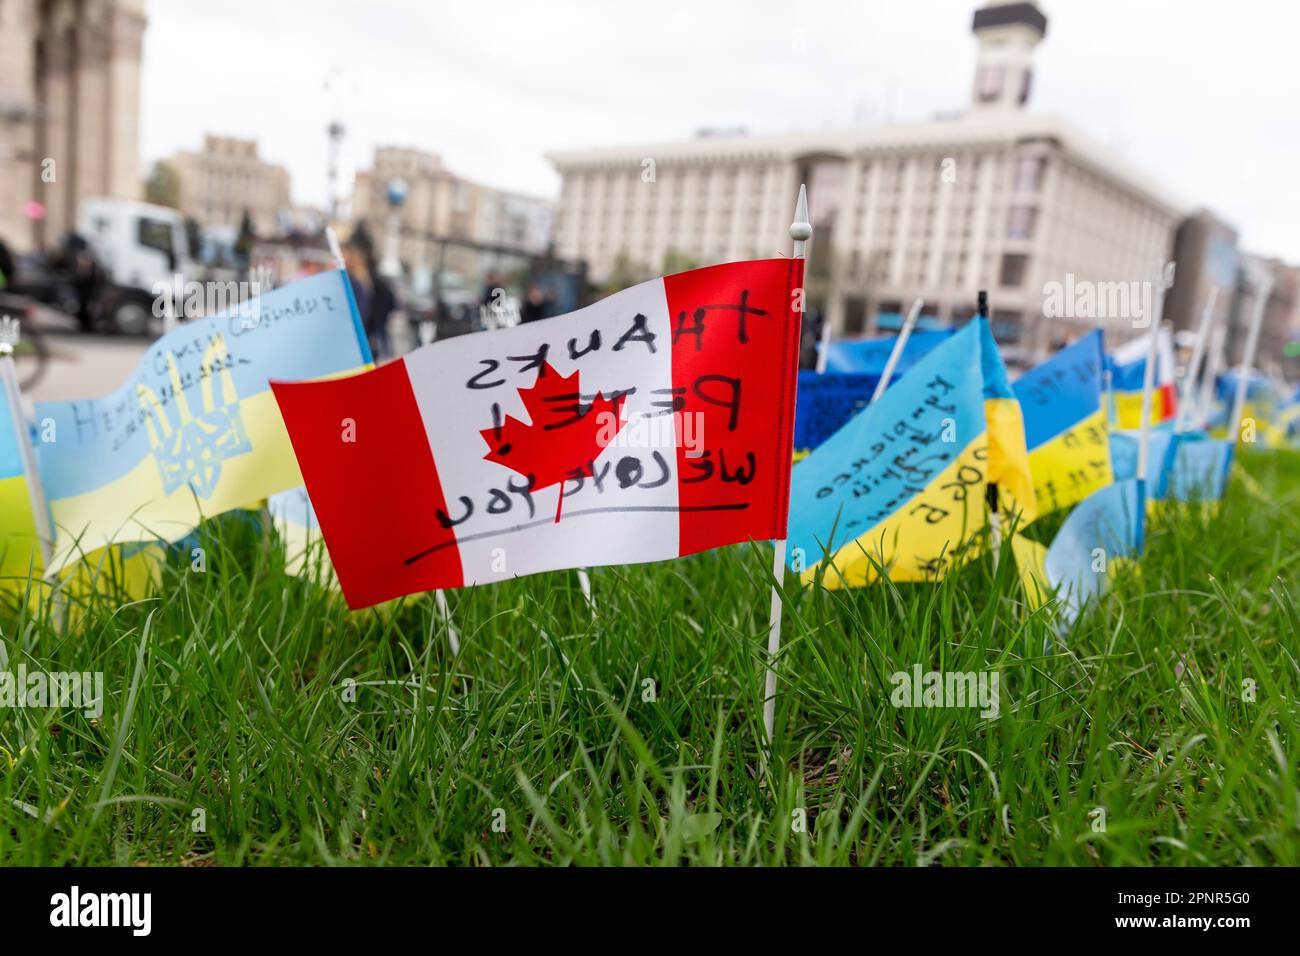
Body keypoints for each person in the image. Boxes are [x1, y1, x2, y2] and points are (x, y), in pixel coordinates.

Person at [343, 237, 395, 360]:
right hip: (368, 336)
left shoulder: (355, 283)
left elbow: (362, 313)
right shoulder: (365, 281)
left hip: (359, 337)